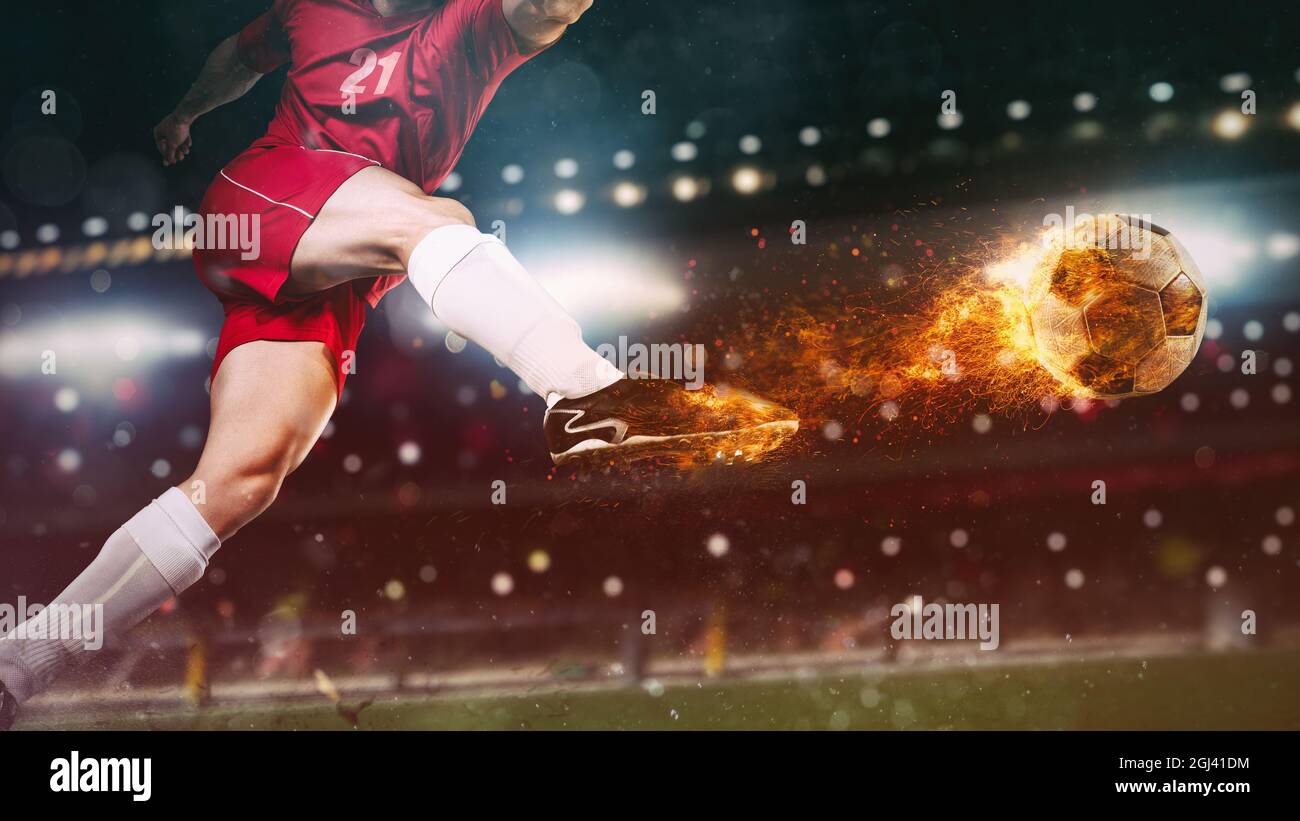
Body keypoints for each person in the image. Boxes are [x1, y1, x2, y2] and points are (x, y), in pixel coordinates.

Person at [0, 0, 795, 729]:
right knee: (436, 221)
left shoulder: (475, 23)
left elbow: (549, 6)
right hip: (260, 203)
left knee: (239, 480)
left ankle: (19, 668)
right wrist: (185, 111)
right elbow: (238, 59)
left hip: (337, 272)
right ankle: (589, 392)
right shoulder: (308, 11)